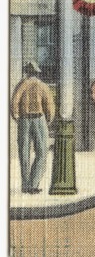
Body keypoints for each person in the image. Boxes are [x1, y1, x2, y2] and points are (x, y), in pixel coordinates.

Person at [10, 62, 55, 194]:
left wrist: (16, 116)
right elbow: (49, 105)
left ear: (27, 72)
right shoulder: (42, 86)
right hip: (38, 119)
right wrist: (48, 120)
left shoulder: (21, 85)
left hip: (24, 119)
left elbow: (14, 101)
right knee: (41, 152)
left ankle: (25, 185)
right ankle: (33, 184)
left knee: (24, 153)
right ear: (37, 72)